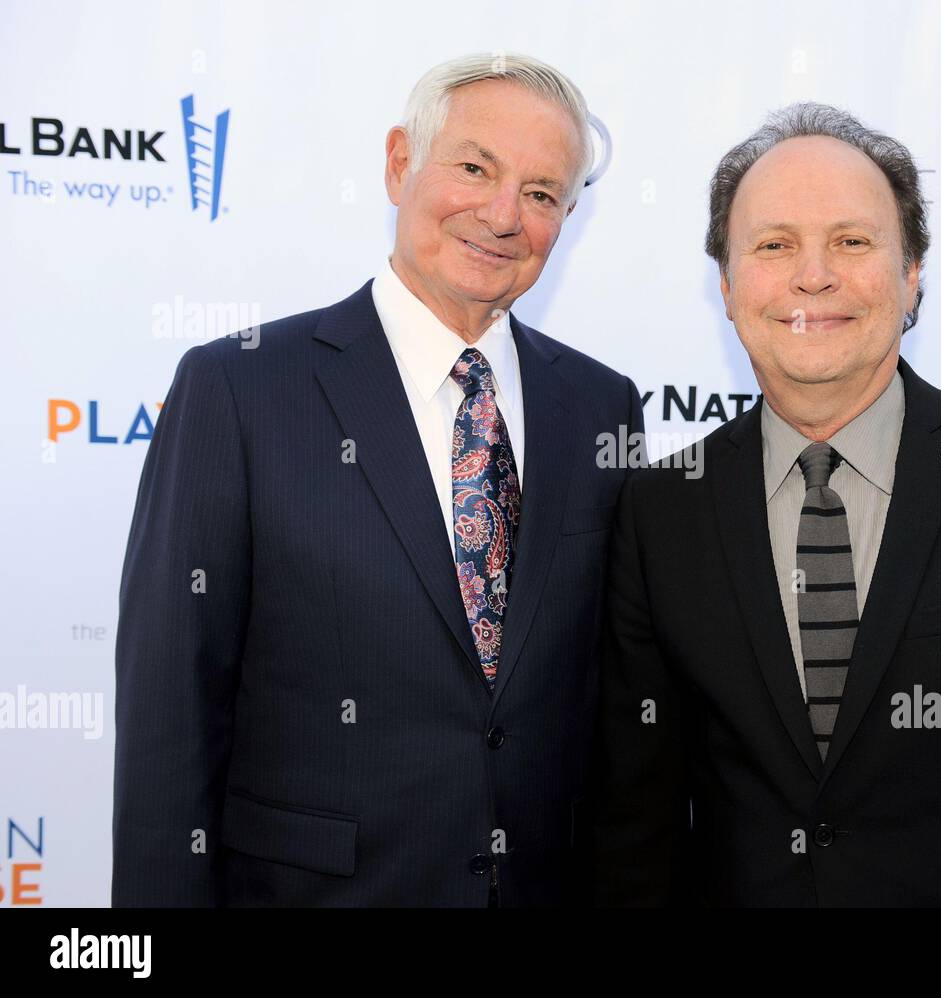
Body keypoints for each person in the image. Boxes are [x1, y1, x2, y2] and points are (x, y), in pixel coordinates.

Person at [592, 102, 941, 906]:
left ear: (912, 275)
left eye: (852, 241)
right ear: (726, 286)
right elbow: (636, 832)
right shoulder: (661, 512)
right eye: (773, 245)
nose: (813, 275)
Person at [113, 52, 642, 906]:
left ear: (567, 216)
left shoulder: (600, 405)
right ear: (400, 164)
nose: (503, 214)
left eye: (542, 194)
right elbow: (170, 712)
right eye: (474, 167)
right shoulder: (240, 389)